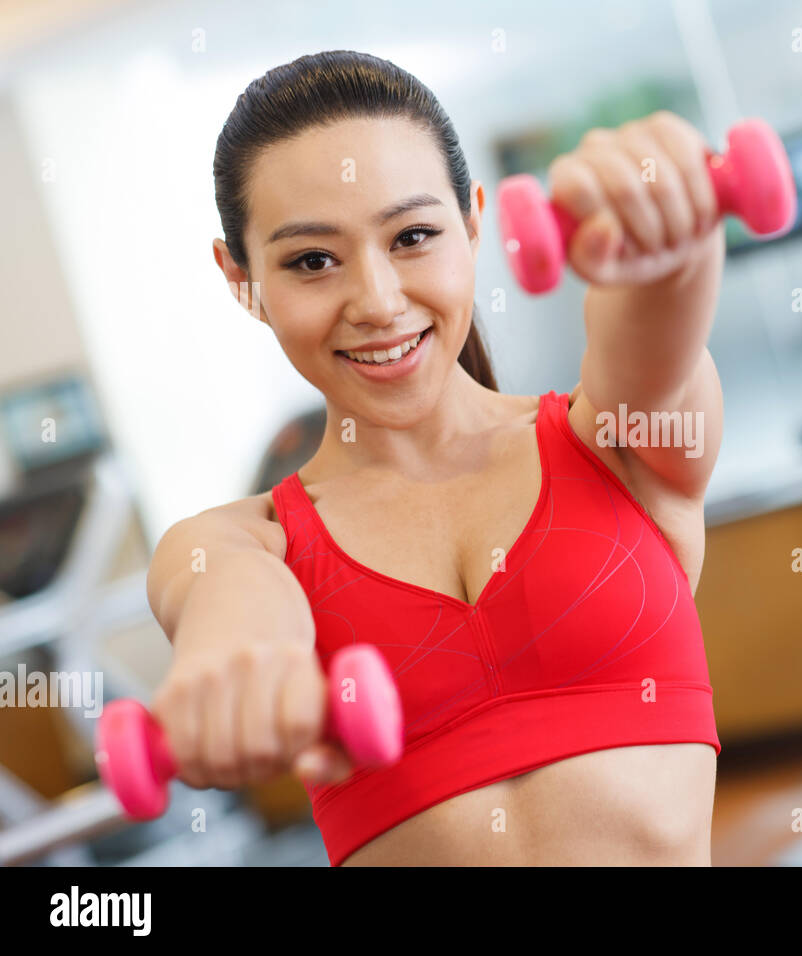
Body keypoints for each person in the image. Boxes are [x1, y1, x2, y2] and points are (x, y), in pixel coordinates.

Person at [144, 50, 727, 865]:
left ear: (475, 222)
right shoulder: (247, 540)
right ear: (240, 279)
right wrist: (239, 664)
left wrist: (672, 254)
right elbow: (227, 601)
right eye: (312, 260)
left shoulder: (619, 450)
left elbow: (654, 348)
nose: (379, 302)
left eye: (414, 236)